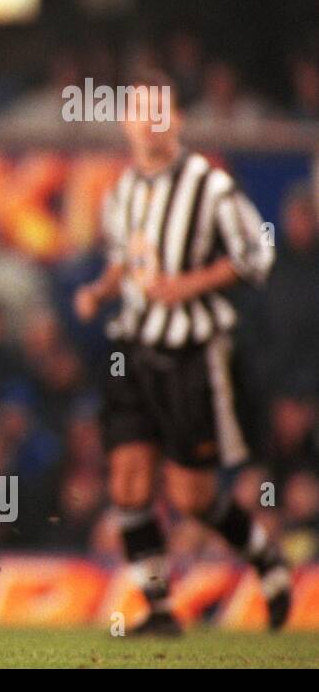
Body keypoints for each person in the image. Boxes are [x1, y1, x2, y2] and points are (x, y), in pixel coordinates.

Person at [73, 75, 291, 635]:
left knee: (192, 497)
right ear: (126, 123)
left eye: (159, 112)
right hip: (133, 348)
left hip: (191, 355)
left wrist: (189, 285)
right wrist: (100, 290)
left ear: (178, 121)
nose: (149, 122)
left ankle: (265, 556)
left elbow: (257, 253)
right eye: (140, 112)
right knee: (126, 481)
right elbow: (130, 260)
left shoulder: (208, 186)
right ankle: (159, 608)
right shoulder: (121, 192)